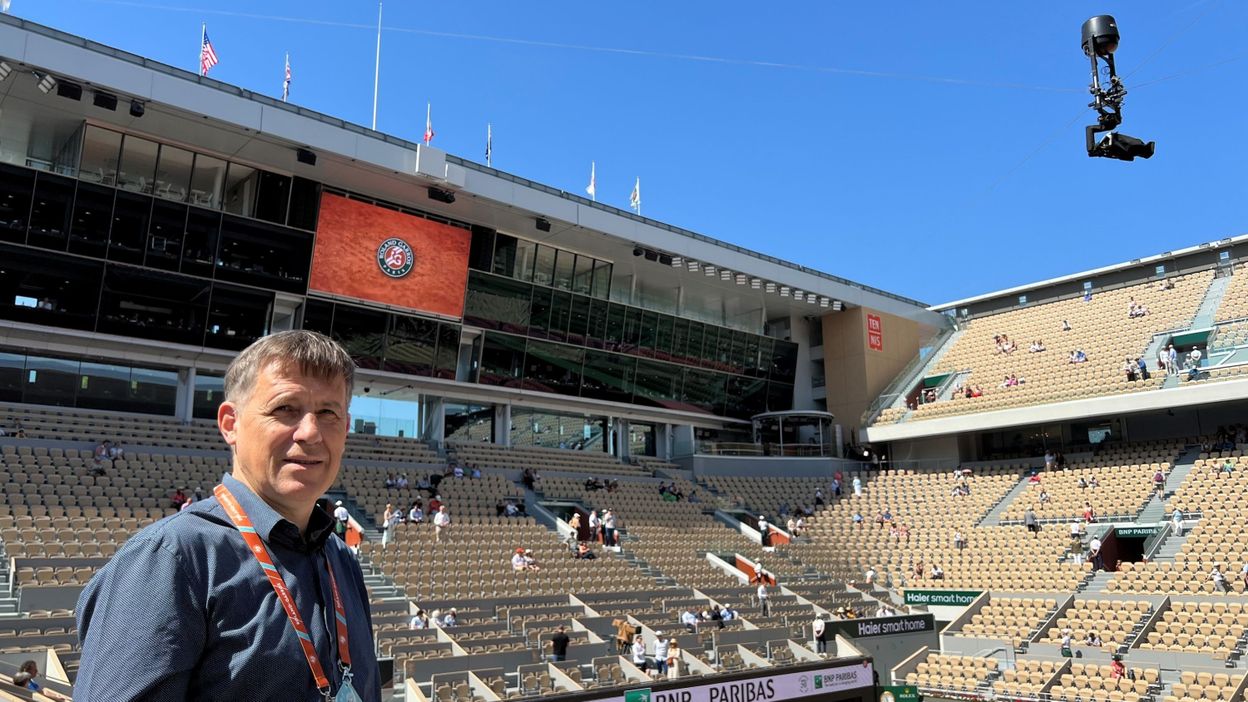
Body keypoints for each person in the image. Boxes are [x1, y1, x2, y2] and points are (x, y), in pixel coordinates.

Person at [74, 330, 380, 701]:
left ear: (345, 429)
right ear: (230, 424)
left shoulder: (341, 560)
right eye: (285, 409)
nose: (311, 433)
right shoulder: (170, 560)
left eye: (328, 413)